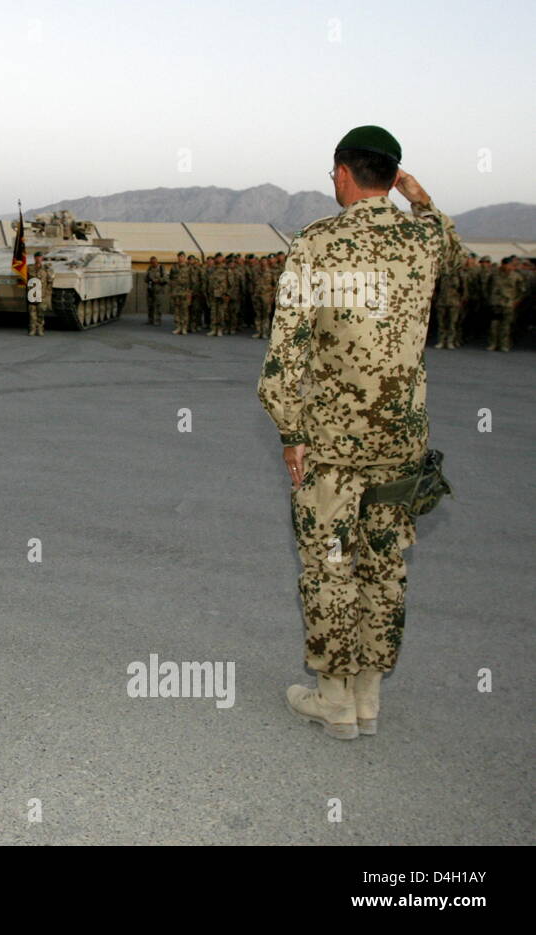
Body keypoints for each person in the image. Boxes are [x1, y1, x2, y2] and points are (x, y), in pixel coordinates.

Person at [257, 126, 462, 741]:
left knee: (329, 561)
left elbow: (284, 350)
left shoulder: (316, 241)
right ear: (392, 176)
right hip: (400, 439)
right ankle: (370, 697)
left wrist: (290, 429)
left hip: (329, 439)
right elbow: (454, 244)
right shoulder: (424, 236)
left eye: (334, 174)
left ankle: (334, 699)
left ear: (344, 172)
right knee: (384, 561)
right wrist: (419, 197)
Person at [29, 252, 52, 336]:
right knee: (32, 313)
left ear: (42, 258)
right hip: (32, 294)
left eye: (40, 257)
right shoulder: (29, 268)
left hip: (42, 294)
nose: (38, 258)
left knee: (41, 313)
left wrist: (47, 293)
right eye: (36, 257)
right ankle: (32, 329)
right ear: (34, 258)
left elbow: (50, 281)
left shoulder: (46, 268)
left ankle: (40, 329)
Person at [144, 256, 168, 326]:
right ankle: (150, 320)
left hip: (159, 290)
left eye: (154, 262)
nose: (153, 264)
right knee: (150, 305)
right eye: (151, 262)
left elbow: (166, 279)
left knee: (158, 306)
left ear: (157, 262)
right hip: (150, 290)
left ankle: (157, 320)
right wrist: (149, 279)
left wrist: (158, 280)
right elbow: (145, 278)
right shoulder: (149, 268)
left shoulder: (161, 268)